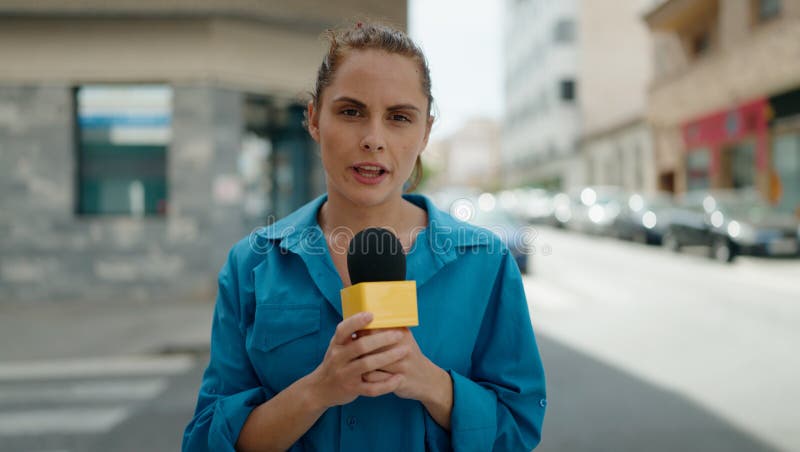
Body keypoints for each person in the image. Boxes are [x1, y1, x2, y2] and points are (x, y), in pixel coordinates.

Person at [182, 21, 546, 452]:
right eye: (351, 112)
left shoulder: (485, 263)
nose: (373, 139)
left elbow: (517, 432)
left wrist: (432, 383)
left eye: (398, 118)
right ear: (315, 119)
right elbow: (208, 440)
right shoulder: (253, 265)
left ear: (426, 133)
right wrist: (319, 389)